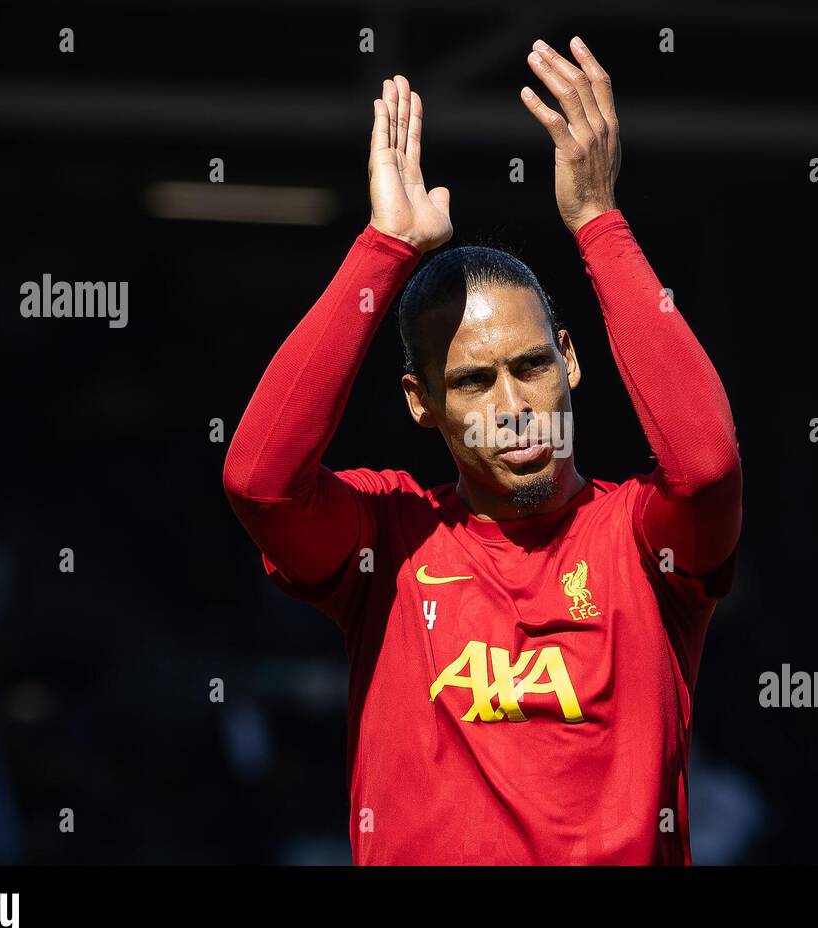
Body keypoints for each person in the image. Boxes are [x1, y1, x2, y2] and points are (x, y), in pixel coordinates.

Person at [223, 37, 742, 864]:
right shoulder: (387, 545)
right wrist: (383, 249)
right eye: (472, 383)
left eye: (533, 366)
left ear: (570, 360)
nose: (513, 409)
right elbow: (259, 482)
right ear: (421, 403)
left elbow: (708, 463)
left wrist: (599, 222)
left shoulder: (644, 542)